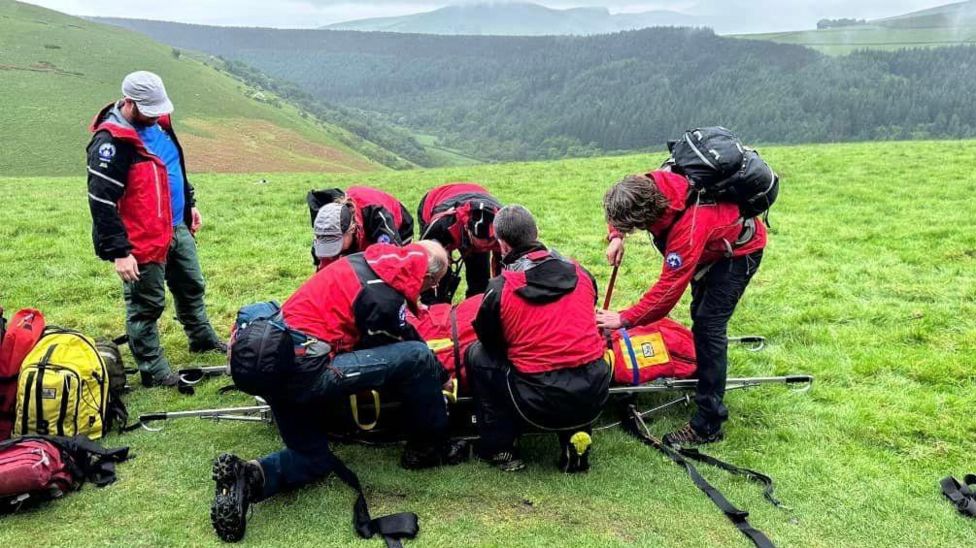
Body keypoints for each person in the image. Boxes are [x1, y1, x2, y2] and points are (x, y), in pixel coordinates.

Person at [211, 242, 466, 542]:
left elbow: (371, 304)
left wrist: (407, 303)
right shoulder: (383, 301)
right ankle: (428, 447)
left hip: (279, 369)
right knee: (420, 358)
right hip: (309, 373)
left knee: (312, 459)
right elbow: (404, 340)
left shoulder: (364, 260)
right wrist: (442, 377)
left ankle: (250, 476)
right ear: (428, 280)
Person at [596, 170, 766, 446]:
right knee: (700, 316)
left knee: (709, 328)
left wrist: (624, 319)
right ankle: (699, 369)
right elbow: (621, 205)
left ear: (647, 216)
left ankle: (708, 424)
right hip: (710, 246)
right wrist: (616, 235)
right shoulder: (650, 183)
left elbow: (667, 293)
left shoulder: (688, 229)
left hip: (736, 255)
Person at [86, 71, 225, 388]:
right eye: (149, 110)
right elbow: (101, 202)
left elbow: (174, 167)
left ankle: (201, 339)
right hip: (142, 239)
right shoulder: (109, 144)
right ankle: (152, 368)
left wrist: (189, 205)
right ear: (130, 103)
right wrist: (119, 253)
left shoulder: (161, 123)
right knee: (145, 306)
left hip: (178, 227)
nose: (156, 114)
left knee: (191, 286)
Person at [468, 205, 611, 473]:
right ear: (537, 233)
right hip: (593, 391)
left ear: (502, 244)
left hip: (537, 399)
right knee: (574, 354)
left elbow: (490, 340)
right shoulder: (582, 274)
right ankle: (576, 441)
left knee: (478, 355)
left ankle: (500, 447)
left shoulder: (501, 289)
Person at [417, 182, 502, 304]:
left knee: (480, 278)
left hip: (477, 195)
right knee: (440, 275)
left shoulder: (504, 226)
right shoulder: (442, 225)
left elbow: (507, 269)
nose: (485, 246)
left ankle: (474, 311)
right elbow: (424, 267)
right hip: (436, 200)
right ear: (468, 230)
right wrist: (431, 302)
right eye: (481, 242)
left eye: (490, 242)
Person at [310, 186, 414, 270]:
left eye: (336, 242)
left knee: (383, 268)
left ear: (351, 229)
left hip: (398, 223)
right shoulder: (325, 229)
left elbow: (394, 260)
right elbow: (323, 272)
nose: (331, 253)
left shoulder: (377, 217)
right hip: (358, 234)